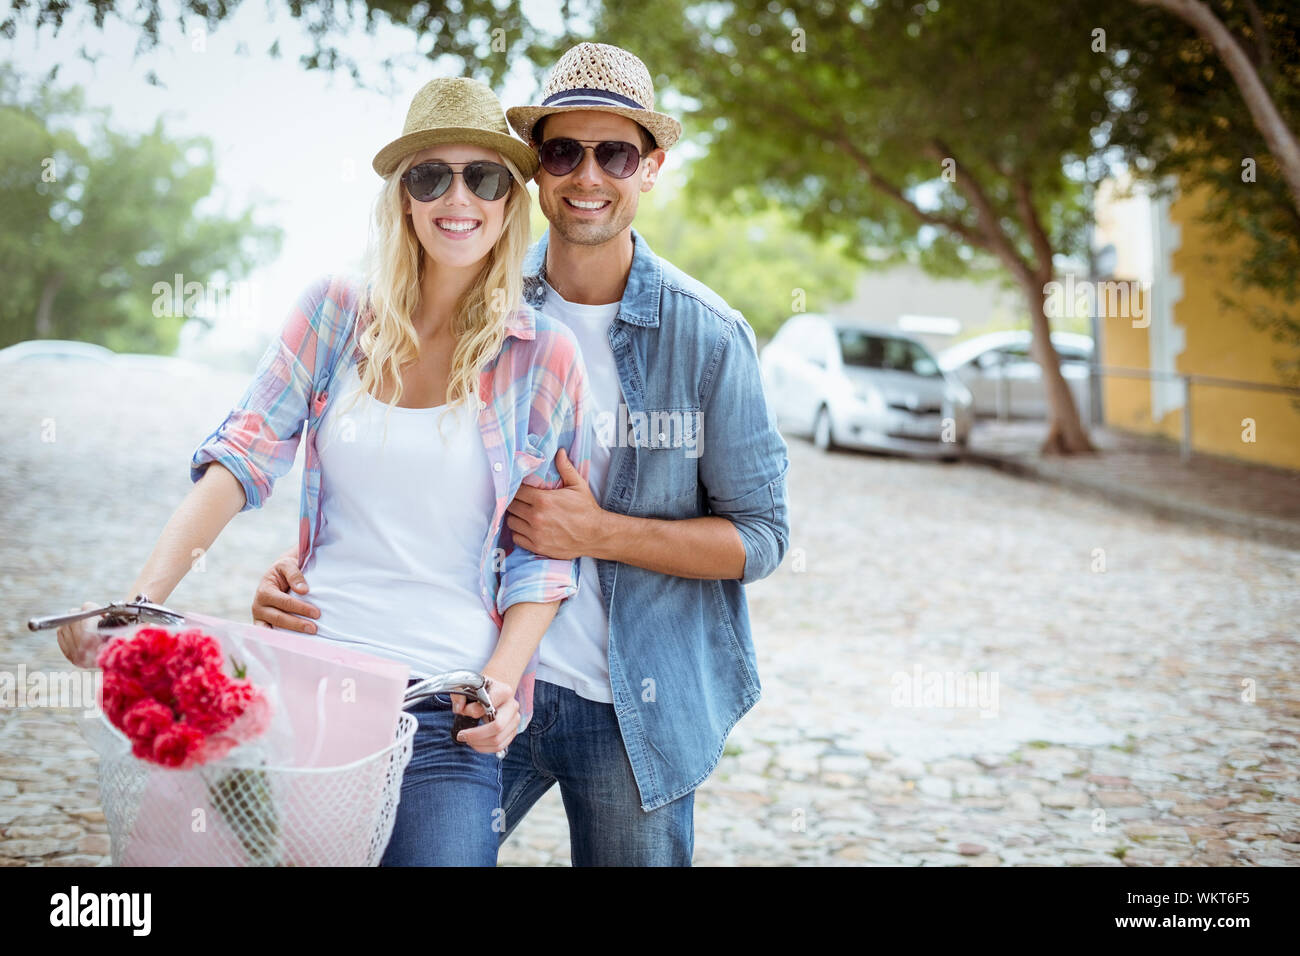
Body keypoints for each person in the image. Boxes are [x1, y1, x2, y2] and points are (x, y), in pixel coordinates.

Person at [252, 43, 790, 866]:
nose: (587, 176)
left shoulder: (708, 337)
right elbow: (391, 467)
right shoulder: (474, 296)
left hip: (628, 707)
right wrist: (301, 569)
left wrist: (599, 532)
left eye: (615, 153)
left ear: (650, 168)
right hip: (471, 689)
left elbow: (761, 539)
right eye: (562, 152)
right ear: (533, 169)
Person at [54, 76, 594, 867]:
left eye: (482, 177)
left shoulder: (542, 355)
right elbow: (239, 458)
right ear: (402, 197)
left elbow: (544, 556)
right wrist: (140, 603)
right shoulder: (336, 312)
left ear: (510, 202)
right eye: (429, 175)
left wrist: (502, 684)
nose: (457, 197)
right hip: (307, 680)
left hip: (446, 711)